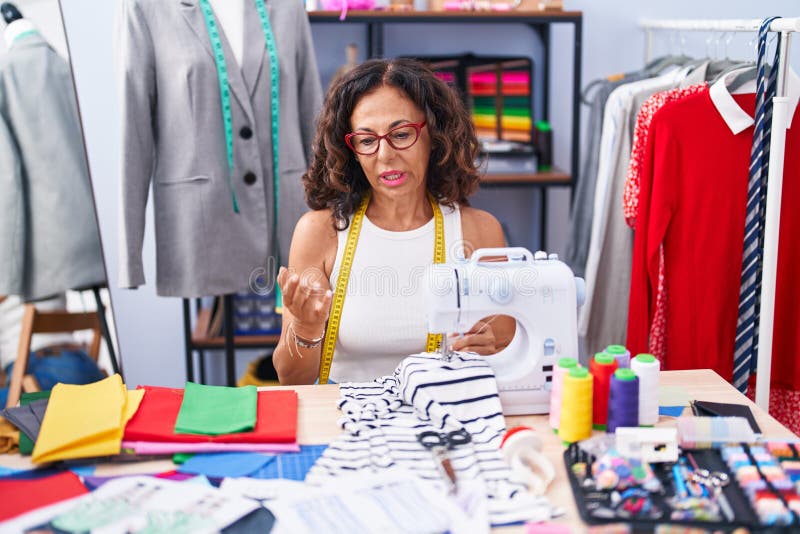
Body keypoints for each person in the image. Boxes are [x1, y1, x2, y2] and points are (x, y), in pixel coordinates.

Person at [273, 58, 514, 385]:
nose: (385, 156)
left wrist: (490, 352)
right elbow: (292, 379)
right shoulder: (319, 232)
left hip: (443, 421)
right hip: (348, 421)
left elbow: (507, 360)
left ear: (436, 134)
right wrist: (306, 328)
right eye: (367, 140)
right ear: (352, 150)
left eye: (401, 134)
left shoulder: (480, 231)